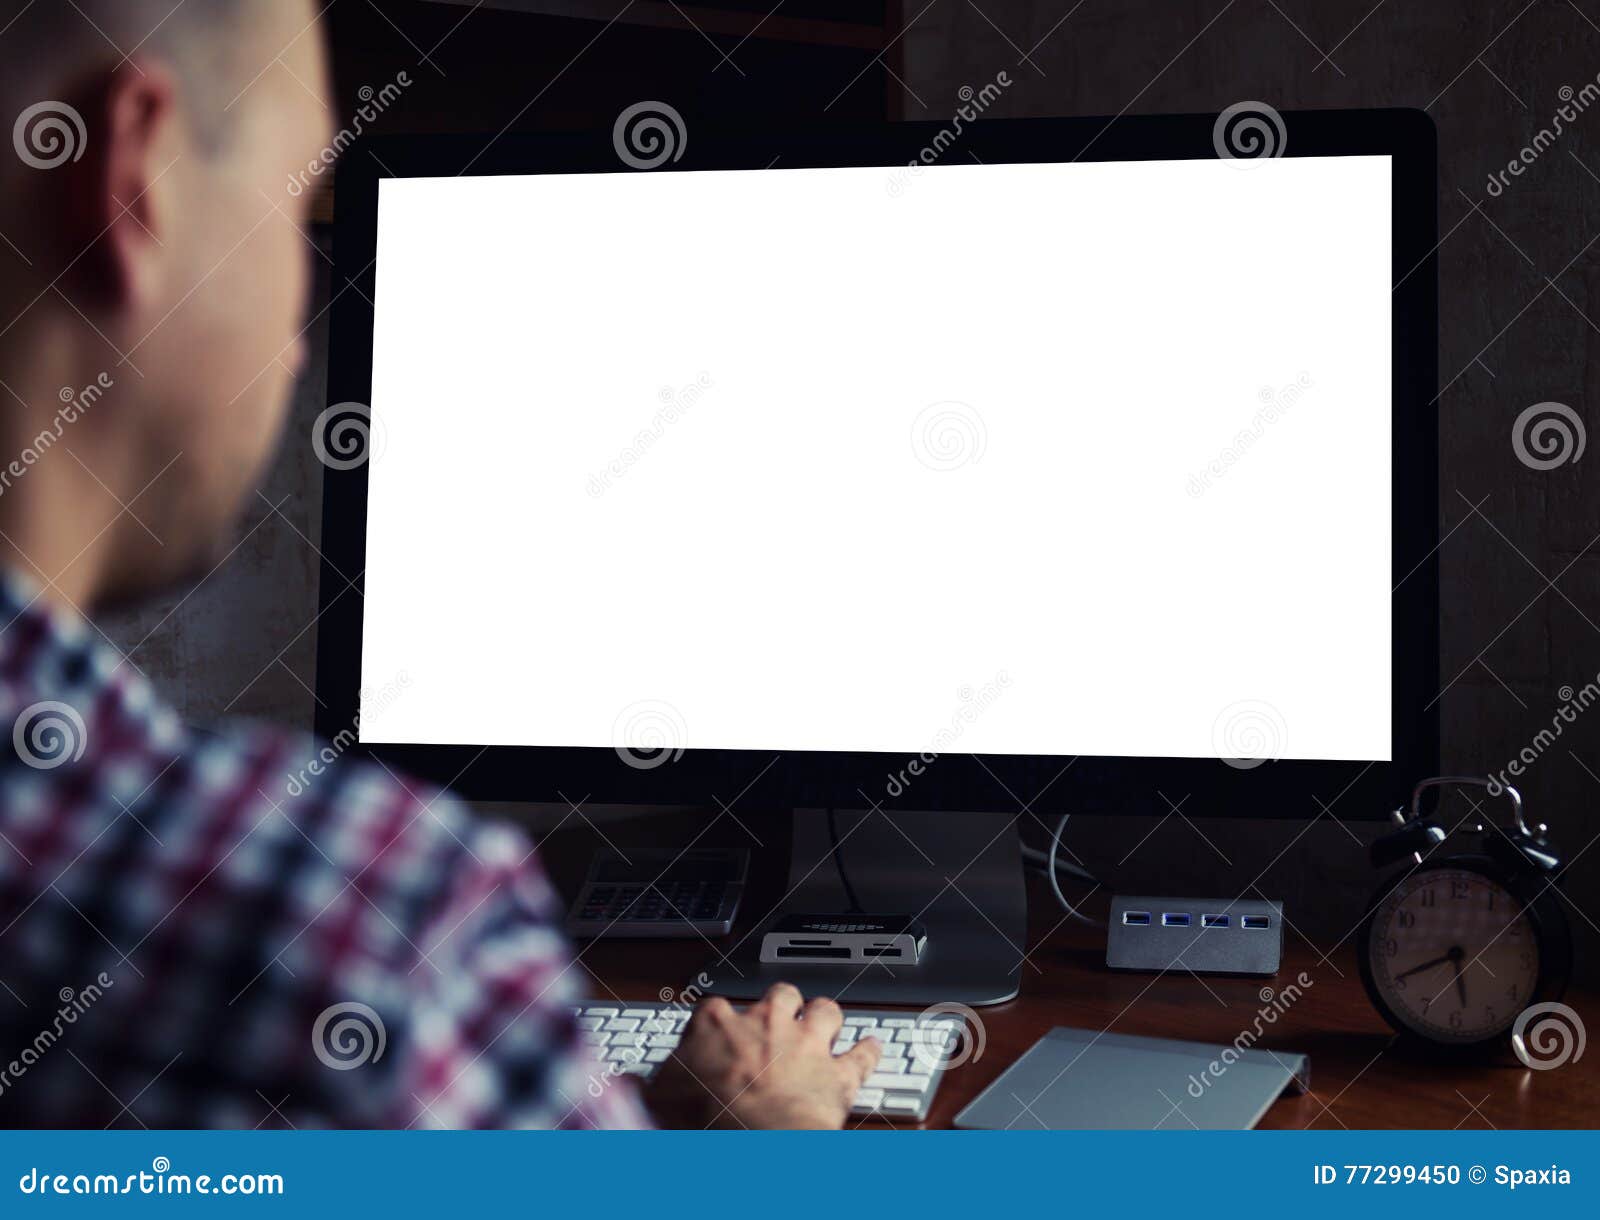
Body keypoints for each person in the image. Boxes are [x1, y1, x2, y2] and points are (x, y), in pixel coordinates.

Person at [0, 0, 878, 1128]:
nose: (297, 344)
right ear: (134, 181)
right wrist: (764, 1133)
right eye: (291, 207)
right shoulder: (361, 919)